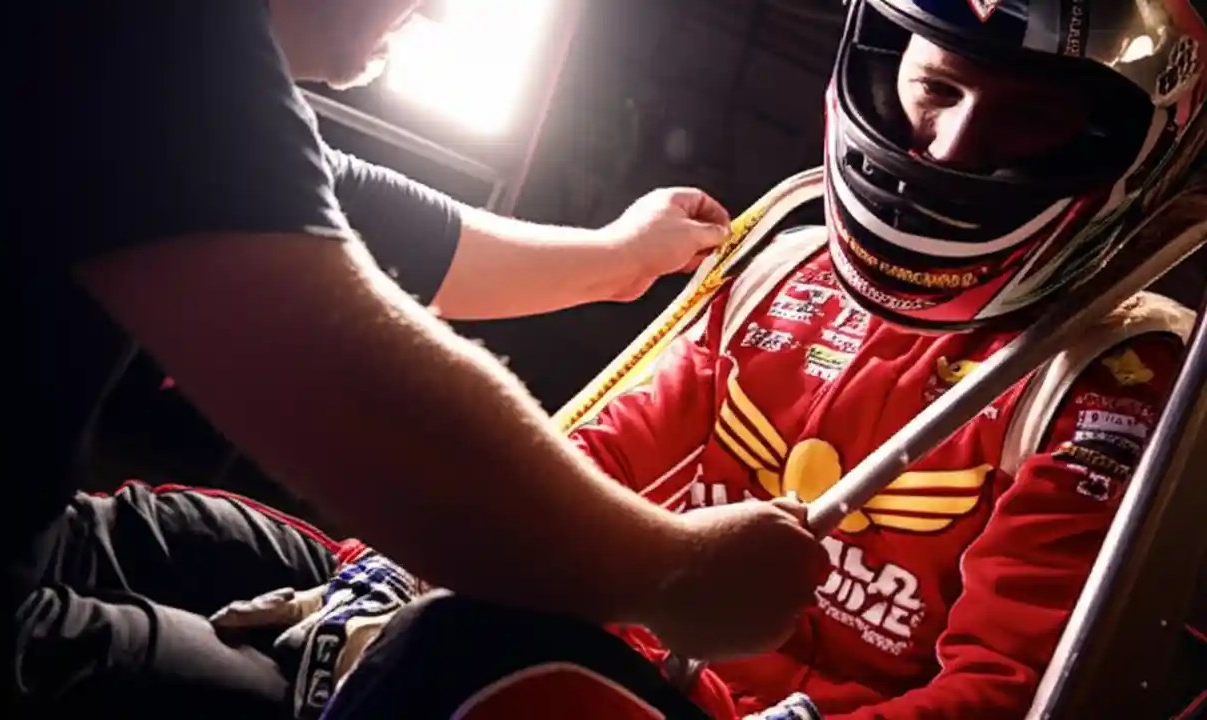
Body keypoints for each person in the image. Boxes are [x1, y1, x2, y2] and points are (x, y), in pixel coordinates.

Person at [211, 0, 1207, 718]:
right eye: (934, 88)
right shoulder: (786, 254)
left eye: (1022, 117)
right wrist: (417, 563)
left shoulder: (1117, 373)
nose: (947, 149)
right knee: (186, 540)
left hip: (695, 692)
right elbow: (603, 456)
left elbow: (1004, 691)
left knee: (453, 650)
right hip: (624, 644)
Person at [0, 1, 827, 718]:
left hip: (12, 532)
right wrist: (670, 573)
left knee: (242, 560)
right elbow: (350, 388)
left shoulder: (158, 59)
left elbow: (356, 218)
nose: (437, 11)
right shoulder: (140, 30)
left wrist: (617, 259)